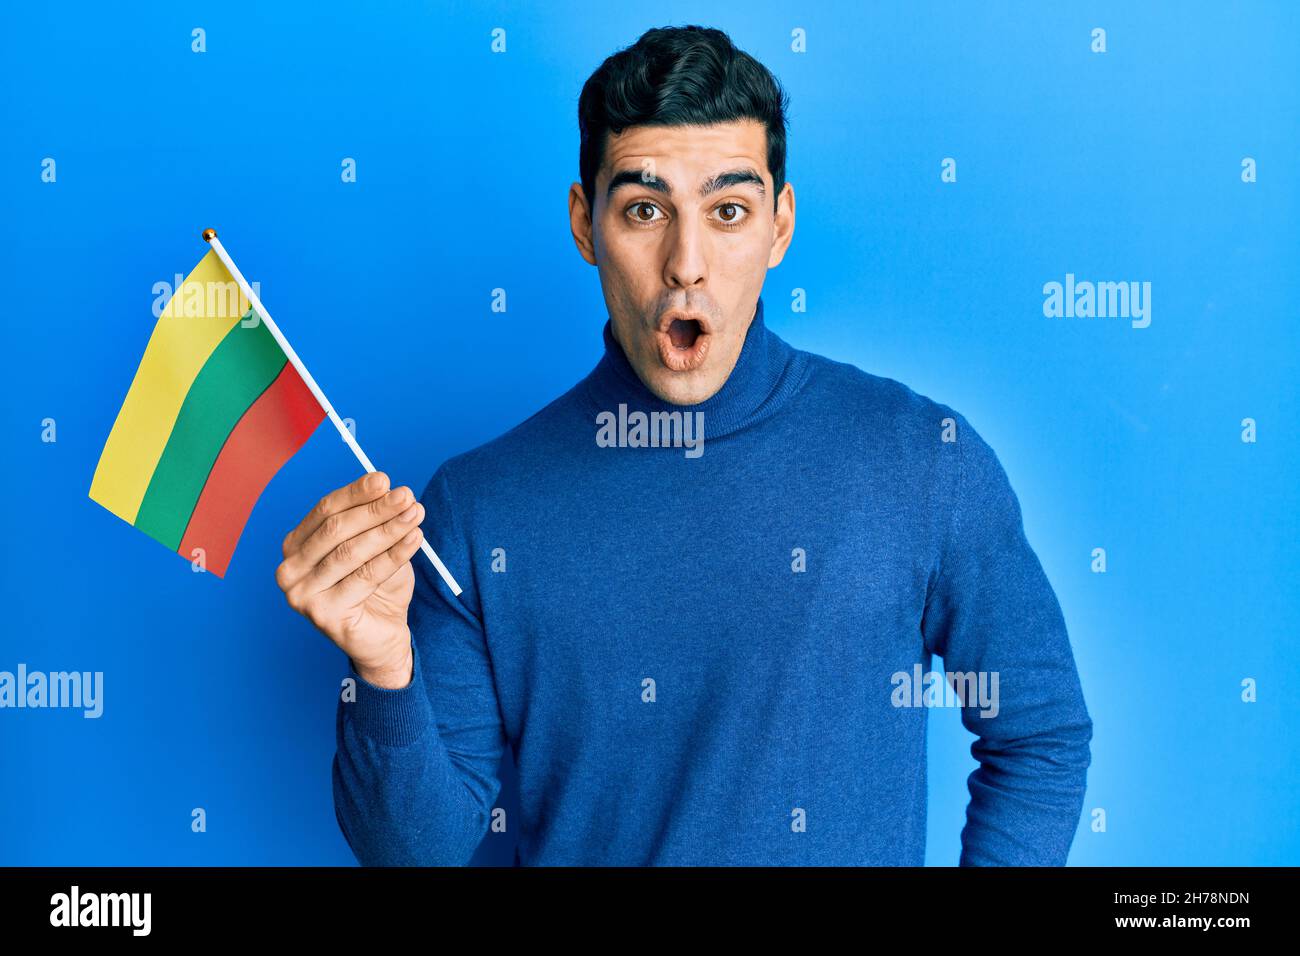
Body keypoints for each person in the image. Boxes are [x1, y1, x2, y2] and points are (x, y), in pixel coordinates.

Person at [275, 24, 1092, 866]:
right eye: (644, 210)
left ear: (780, 227)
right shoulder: (477, 510)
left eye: (728, 210)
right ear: (585, 225)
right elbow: (418, 851)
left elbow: (1042, 735)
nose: (686, 263)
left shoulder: (923, 459)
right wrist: (381, 672)